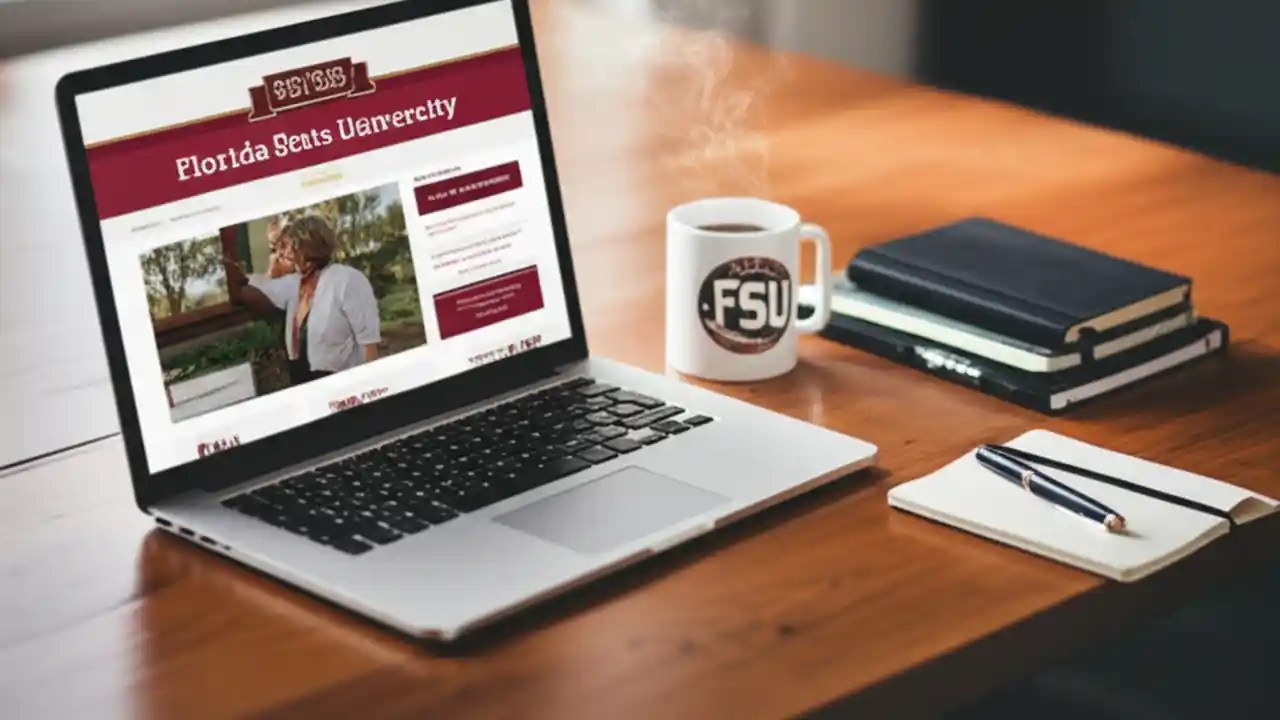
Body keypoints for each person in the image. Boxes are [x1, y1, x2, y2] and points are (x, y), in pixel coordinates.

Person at [225, 214, 381, 385]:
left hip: (342, 382)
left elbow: (369, 344)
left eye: (290, 247)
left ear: (306, 247)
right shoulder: (294, 283)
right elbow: (249, 291)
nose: (287, 253)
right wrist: (230, 273)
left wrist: (370, 388)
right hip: (302, 381)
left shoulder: (348, 280)